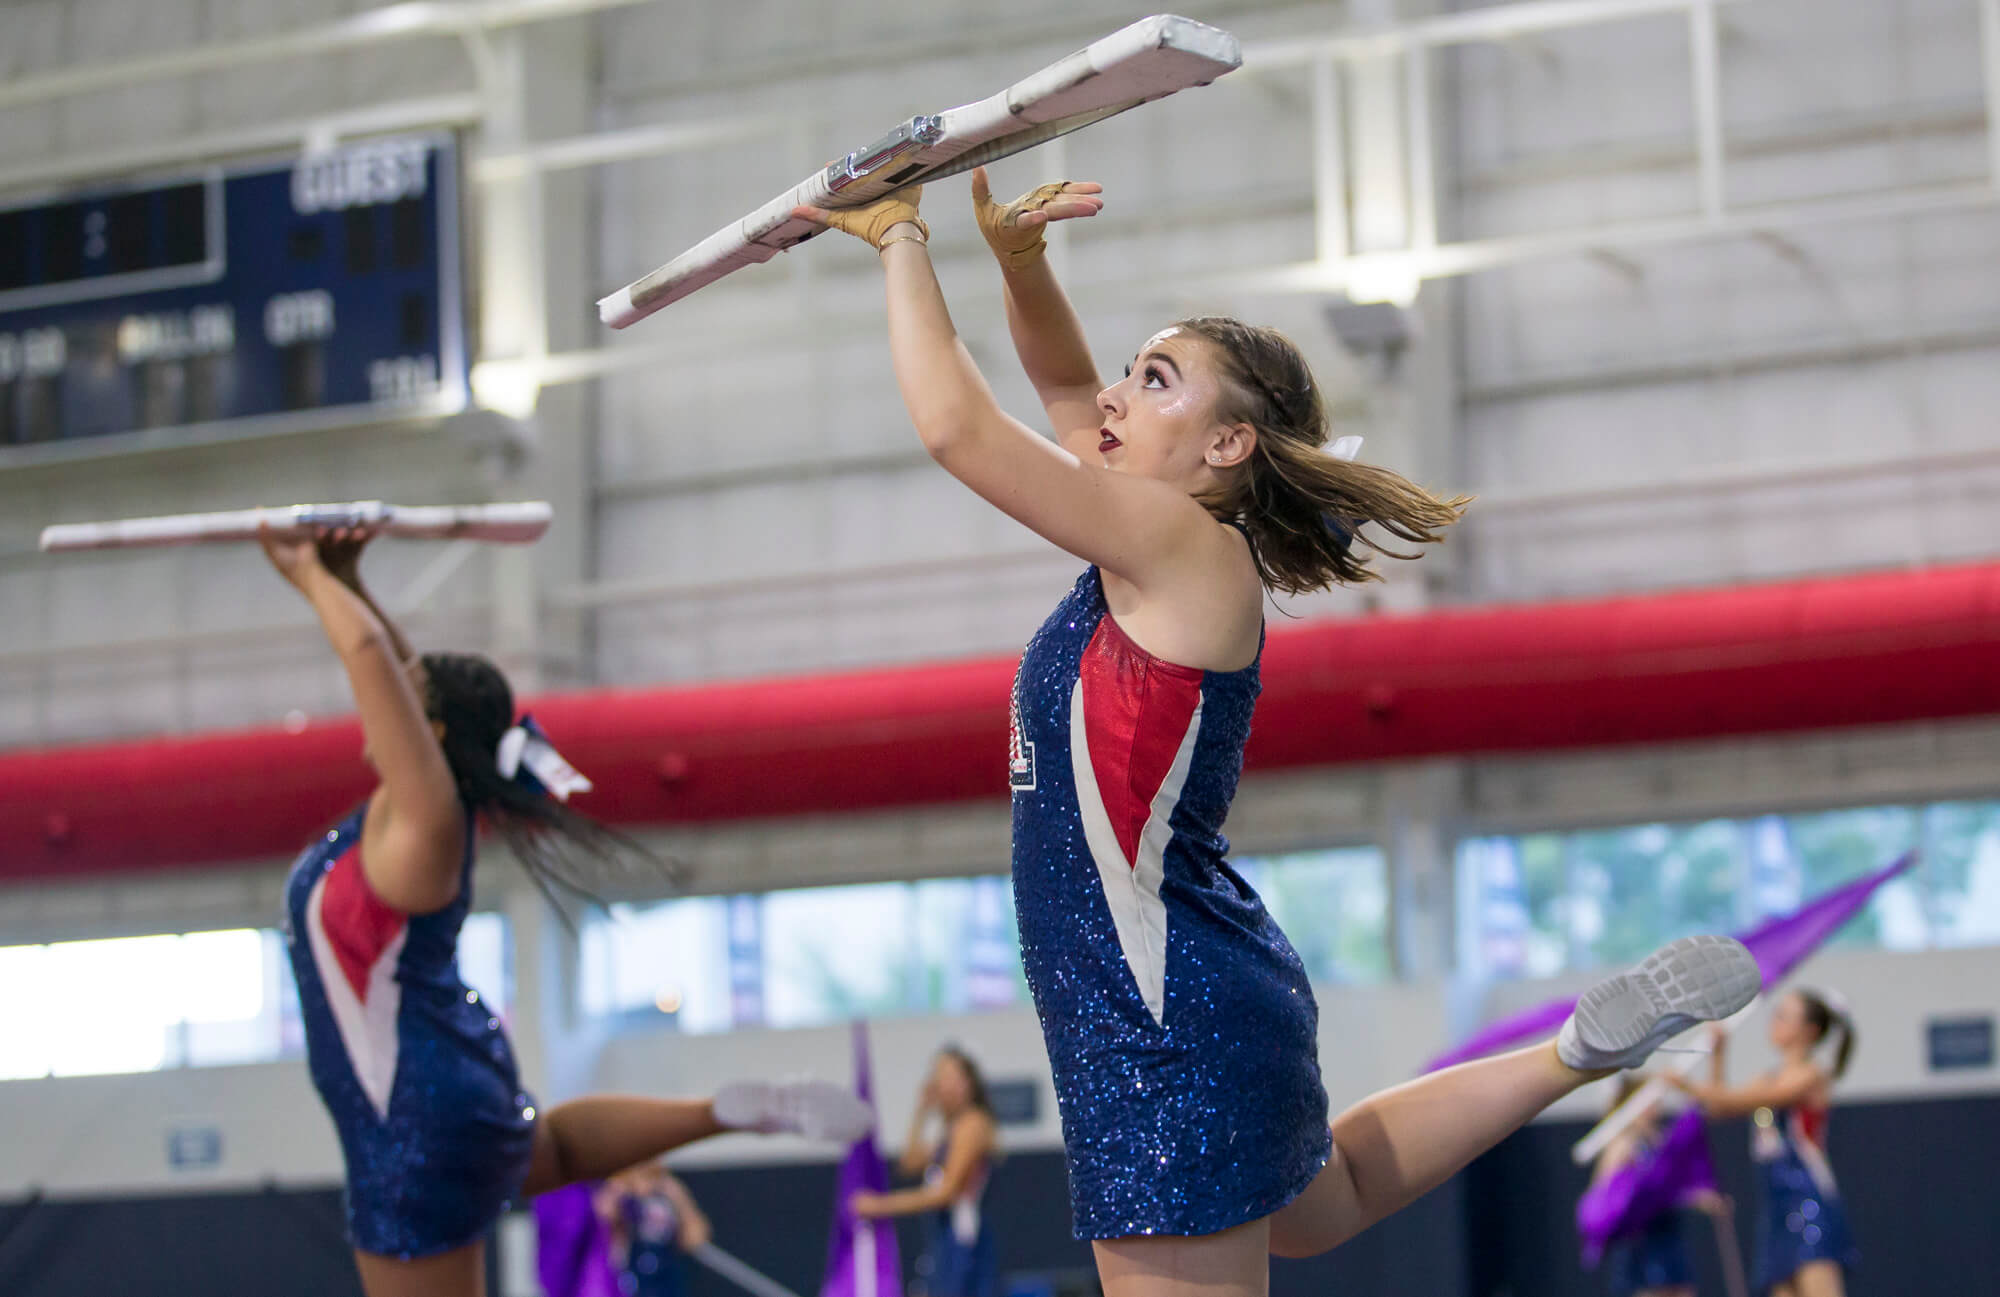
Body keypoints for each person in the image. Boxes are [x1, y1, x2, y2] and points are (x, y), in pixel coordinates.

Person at [790, 175, 1763, 1296]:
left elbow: (957, 427)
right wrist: (1017, 261)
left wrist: (899, 238)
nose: (1111, 391)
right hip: (1190, 981)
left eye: (1153, 379)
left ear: (1226, 444)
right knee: (1322, 1199)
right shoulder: (1146, 537)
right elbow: (1059, 381)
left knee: (1315, 1207)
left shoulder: (1176, 548)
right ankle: (1568, 1056)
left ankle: (1567, 1057)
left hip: (1154, 1014)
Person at [270, 524, 872, 1297]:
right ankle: (715, 1111)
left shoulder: (425, 823)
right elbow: (392, 668)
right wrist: (347, 578)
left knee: (538, 1154)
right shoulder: (405, 815)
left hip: (410, 1115)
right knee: (543, 1149)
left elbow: (369, 663)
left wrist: (306, 575)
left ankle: (716, 1112)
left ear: (434, 732)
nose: (383, 700)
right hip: (449, 1080)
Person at [1666, 990, 1859, 1297]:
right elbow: (1720, 1108)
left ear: (1808, 1031)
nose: (1774, 1022)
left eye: (1784, 1017)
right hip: (1775, 1209)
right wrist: (1719, 1053)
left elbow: (1747, 1100)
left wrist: (1688, 1086)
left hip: (1809, 1204)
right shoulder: (1767, 1077)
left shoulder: (1811, 1077)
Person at [852, 1047, 1001, 1297]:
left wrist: (880, 1206)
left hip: (963, 1240)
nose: (943, 1084)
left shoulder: (973, 1124)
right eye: (939, 1077)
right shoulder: (949, 1130)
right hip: (943, 1237)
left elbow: (944, 1193)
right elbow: (908, 1162)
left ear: (968, 1083)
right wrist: (921, 1112)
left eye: (950, 1076)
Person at [1586, 1076, 1727, 1297]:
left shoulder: (1658, 1140)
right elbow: (1604, 1196)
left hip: (1668, 1236)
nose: (1654, 1107)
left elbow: (1667, 1188)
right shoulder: (1623, 1144)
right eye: (1648, 1102)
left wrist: (1699, 1198)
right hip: (1641, 1242)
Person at [598, 1161, 712, 1297]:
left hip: (662, 1279)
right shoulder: (616, 1190)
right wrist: (616, 1191)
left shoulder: (666, 1192)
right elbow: (598, 1221)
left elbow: (695, 1238)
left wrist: (678, 1197)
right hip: (623, 1277)